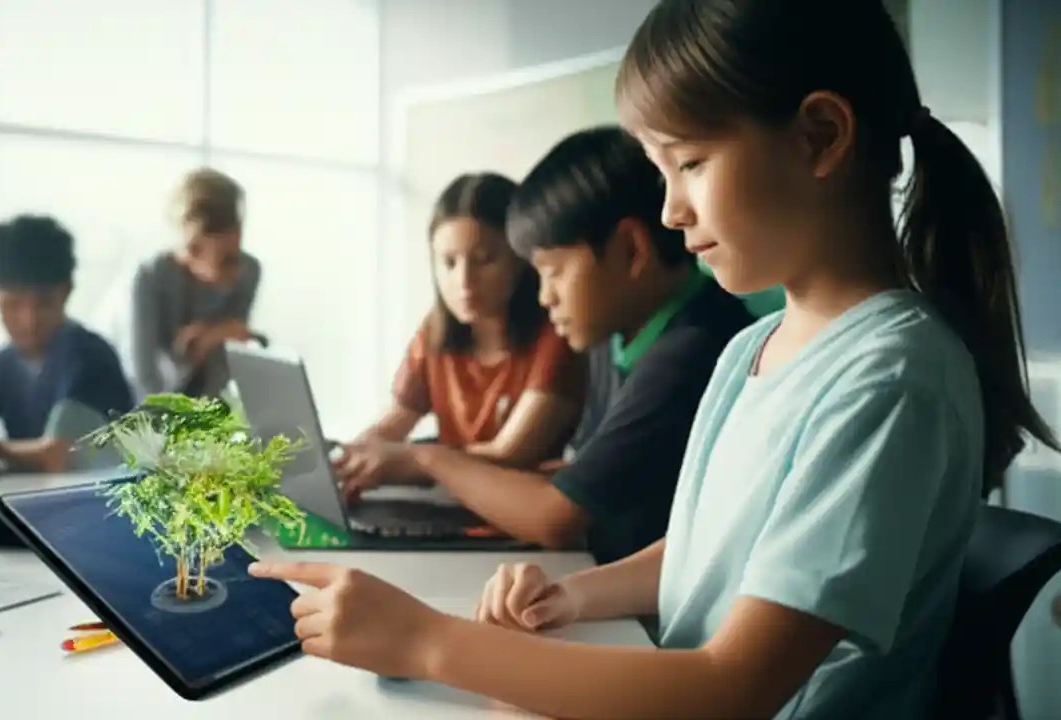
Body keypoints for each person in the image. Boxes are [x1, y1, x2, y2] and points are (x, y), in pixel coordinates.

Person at [248, 2, 1060, 718]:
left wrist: (426, 642)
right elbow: (703, 551)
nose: (671, 208)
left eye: (691, 164)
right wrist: (572, 595)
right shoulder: (754, 346)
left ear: (820, 136)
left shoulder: (891, 378)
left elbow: (731, 689)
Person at [338, 128, 752, 560]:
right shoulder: (618, 339)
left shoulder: (691, 351)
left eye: (553, 272)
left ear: (631, 250)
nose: (544, 296)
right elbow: (592, 475)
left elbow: (555, 518)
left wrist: (428, 460)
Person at [335, 172, 586, 480]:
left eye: (484, 260)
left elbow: (510, 454)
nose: (464, 282)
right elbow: (391, 425)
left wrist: (409, 460)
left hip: (516, 514)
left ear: (521, 259)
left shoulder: (557, 334)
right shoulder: (434, 333)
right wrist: (350, 456)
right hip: (447, 506)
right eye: (449, 263)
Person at [0, 215, 135, 472]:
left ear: (67, 292)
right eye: (13, 304)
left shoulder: (91, 358)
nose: (29, 321)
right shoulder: (4, 364)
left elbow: (56, 455)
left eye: (44, 303)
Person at [130, 168, 261, 400]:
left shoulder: (248, 270)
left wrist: (212, 336)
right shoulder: (151, 277)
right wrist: (195, 348)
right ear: (194, 246)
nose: (235, 270)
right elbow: (145, 379)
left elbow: (230, 353)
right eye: (226, 259)